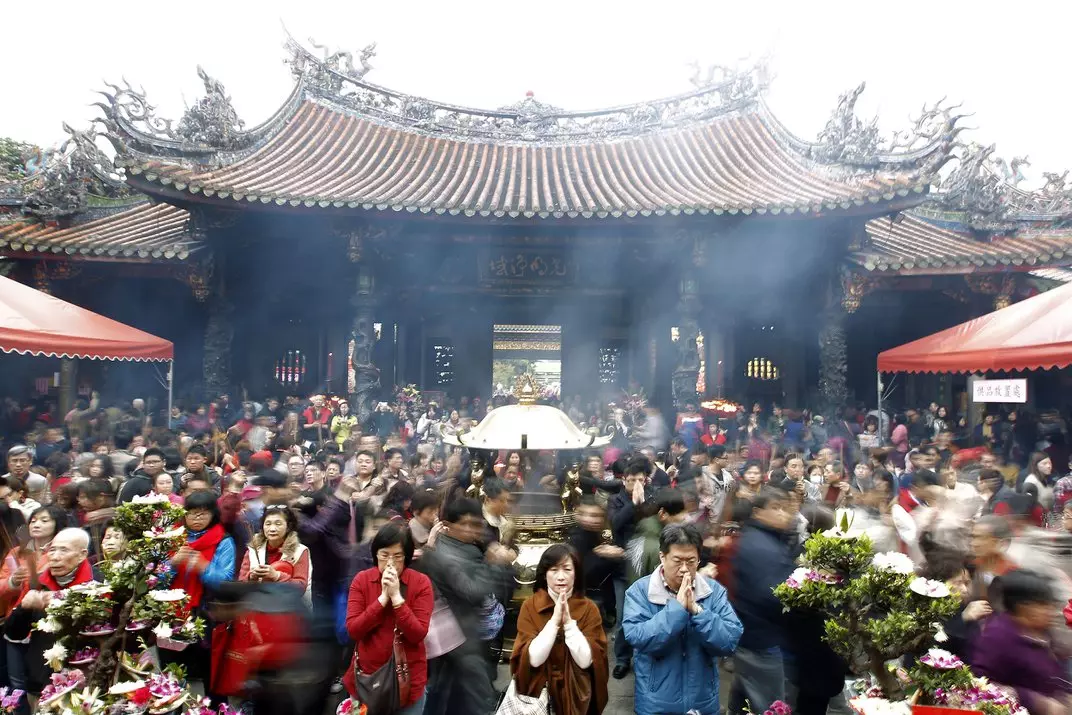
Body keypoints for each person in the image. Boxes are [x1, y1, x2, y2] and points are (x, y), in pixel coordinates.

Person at [624, 522, 743, 715]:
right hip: (656, 701)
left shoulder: (713, 592)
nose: (685, 569)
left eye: (691, 561)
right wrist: (678, 609)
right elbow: (639, 638)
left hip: (702, 700)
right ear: (662, 557)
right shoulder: (640, 592)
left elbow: (729, 641)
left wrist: (698, 612)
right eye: (677, 560)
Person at [416, 498, 512, 715]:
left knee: (449, 692)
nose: (470, 530)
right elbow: (473, 591)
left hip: (463, 632)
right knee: (476, 695)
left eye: (474, 524)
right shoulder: (446, 555)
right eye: (465, 524)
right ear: (448, 525)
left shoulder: (464, 545)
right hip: (461, 635)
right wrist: (494, 565)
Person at [344, 521, 434, 715]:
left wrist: (397, 599)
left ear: (407, 557)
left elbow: (418, 634)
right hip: (366, 679)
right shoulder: (362, 579)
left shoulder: (421, 583)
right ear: (376, 555)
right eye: (384, 555)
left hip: (407, 680)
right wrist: (382, 599)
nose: (390, 563)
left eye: (398, 557)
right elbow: (354, 629)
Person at [510, 543, 609, 715]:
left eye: (567, 569)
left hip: (577, 693)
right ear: (544, 574)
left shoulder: (589, 608)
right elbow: (530, 659)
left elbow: (588, 660)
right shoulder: (530, 606)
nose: (561, 577)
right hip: (539, 694)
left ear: (576, 573)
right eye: (554, 570)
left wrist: (570, 624)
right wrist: (554, 622)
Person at [7, 528, 97, 715]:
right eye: (52, 550)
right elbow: (14, 633)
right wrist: (24, 607)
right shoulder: (38, 583)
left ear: (82, 555)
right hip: (42, 683)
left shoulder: (99, 583)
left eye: (63, 550)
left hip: (90, 681)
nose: (54, 557)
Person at [729, 486, 796, 715]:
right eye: (776, 508)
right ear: (757, 512)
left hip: (754, 635)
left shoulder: (767, 538)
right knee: (769, 703)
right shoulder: (760, 546)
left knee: (746, 691)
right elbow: (771, 595)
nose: (783, 514)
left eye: (786, 509)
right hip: (762, 639)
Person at [971, 569, 1072, 715]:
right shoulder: (997, 637)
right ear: (1025, 608)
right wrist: (1036, 702)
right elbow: (982, 685)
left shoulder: (1042, 631)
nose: (1052, 611)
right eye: (1044, 605)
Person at [238, 505, 311, 599]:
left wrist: (276, 575)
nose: (272, 529)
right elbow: (241, 582)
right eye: (268, 524)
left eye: (278, 524)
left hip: (289, 607)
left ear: (288, 527)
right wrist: (252, 577)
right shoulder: (253, 549)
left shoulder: (299, 551)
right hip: (258, 606)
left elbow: (300, 587)